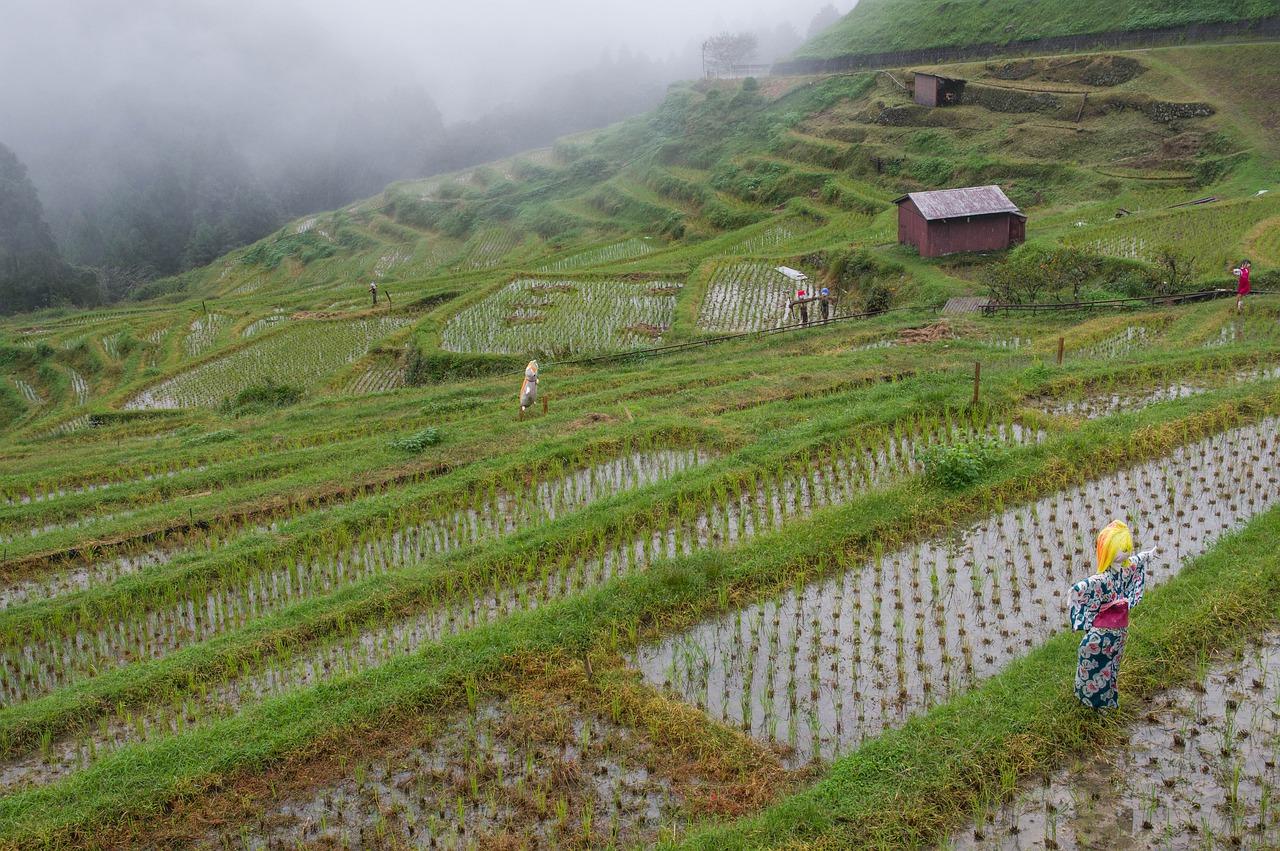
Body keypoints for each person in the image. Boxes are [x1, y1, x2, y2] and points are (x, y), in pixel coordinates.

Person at [1069, 521, 1155, 709]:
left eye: (1127, 549)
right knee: (1095, 659)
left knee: (1108, 664)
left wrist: (1147, 555)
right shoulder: (1105, 577)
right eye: (1121, 549)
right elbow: (1088, 584)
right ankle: (1091, 698)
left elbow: (1136, 560)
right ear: (1108, 551)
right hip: (1107, 631)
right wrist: (1076, 590)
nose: (1125, 553)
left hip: (1113, 632)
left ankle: (1101, 700)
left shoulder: (1123, 570)